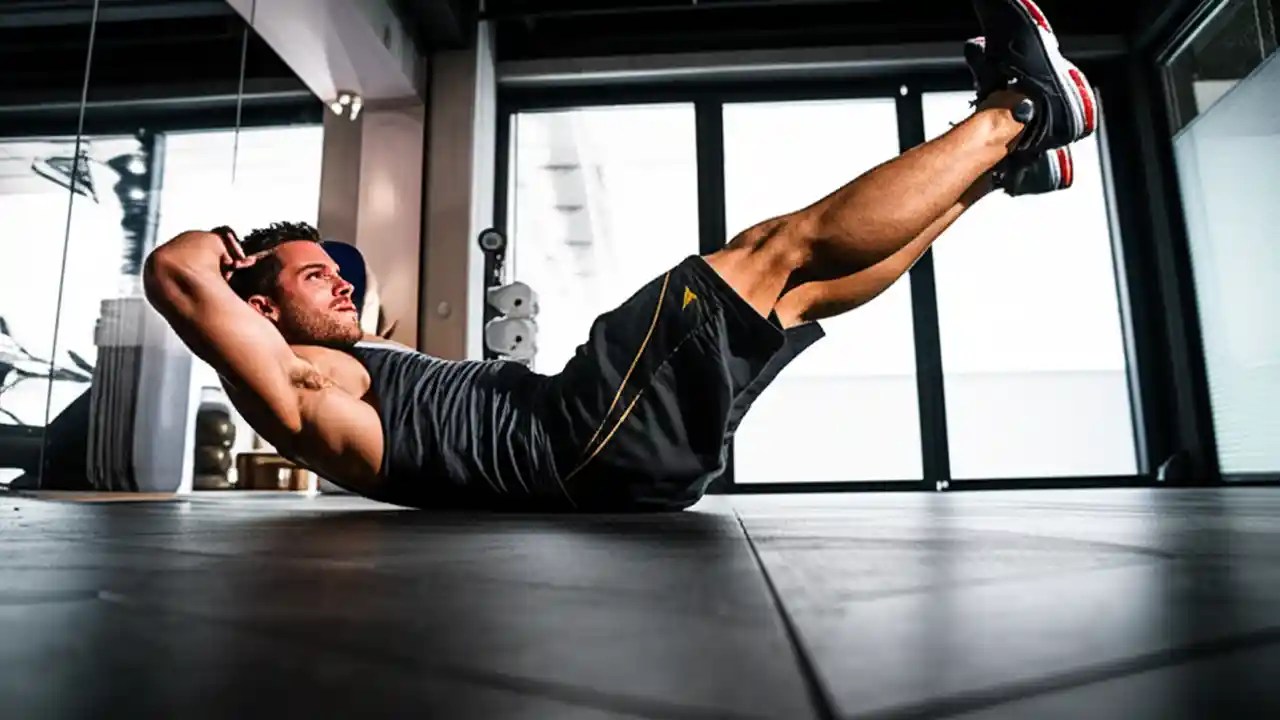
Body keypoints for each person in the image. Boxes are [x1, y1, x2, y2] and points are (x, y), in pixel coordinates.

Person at [144, 0, 1097, 511]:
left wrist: (282, 272)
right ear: (260, 308)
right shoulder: (297, 381)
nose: (344, 283)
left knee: (797, 295)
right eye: (316, 276)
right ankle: (1021, 109)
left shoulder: (342, 366)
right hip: (579, 436)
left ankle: (999, 168)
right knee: (771, 252)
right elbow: (174, 271)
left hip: (595, 450)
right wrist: (236, 256)